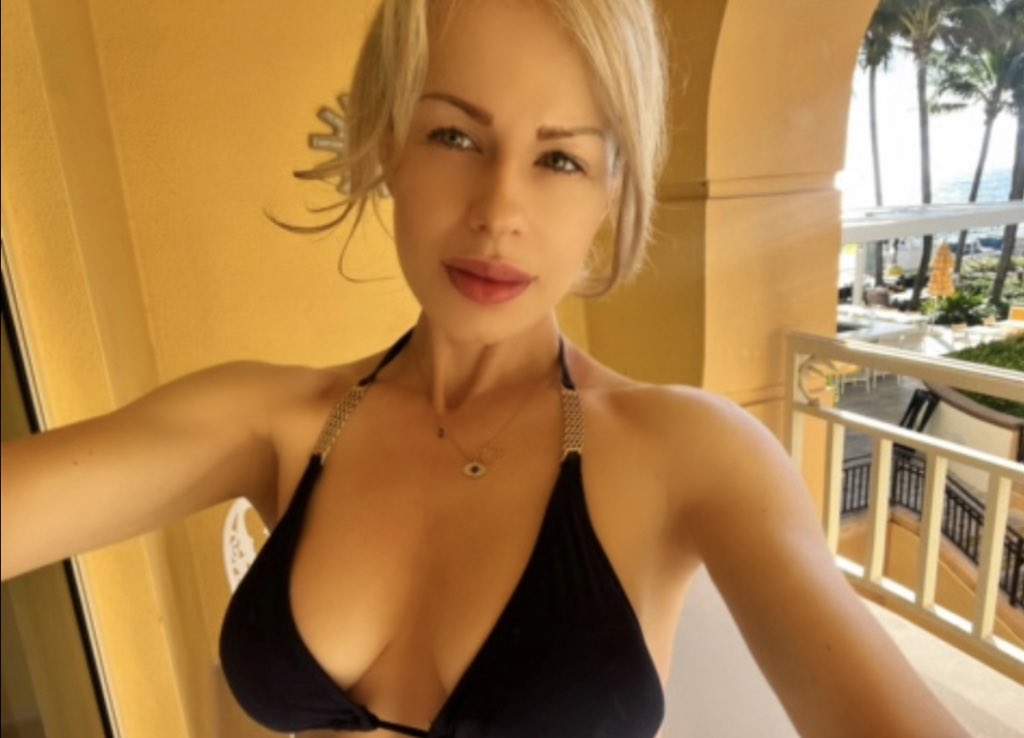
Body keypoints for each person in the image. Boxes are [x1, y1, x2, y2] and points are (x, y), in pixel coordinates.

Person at [1, 1, 969, 737]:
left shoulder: (692, 450)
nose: (498, 211)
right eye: (454, 136)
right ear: (389, 147)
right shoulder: (271, 421)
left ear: (610, 190)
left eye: (559, 160)